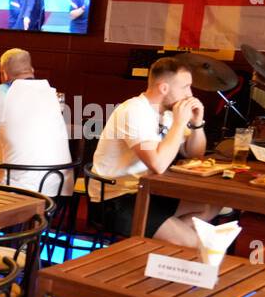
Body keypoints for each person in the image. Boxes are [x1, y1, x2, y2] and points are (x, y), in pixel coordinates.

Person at [90, 56, 215, 247]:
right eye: (185, 87)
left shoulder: (169, 113)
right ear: (164, 88)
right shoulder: (134, 111)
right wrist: (180, 123)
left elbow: (195, 155)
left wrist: (197, 124)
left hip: (149, 192)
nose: (190, 94)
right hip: (117, 198)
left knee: (211, 205)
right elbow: (157, 164)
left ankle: (158, 250)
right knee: (196, 244)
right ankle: (173, 245)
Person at [0, 48, 72, 196]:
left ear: (3, 74)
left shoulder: (3, 92)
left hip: (21, 190)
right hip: (58, 187)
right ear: (32, 70)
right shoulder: (51, 92)